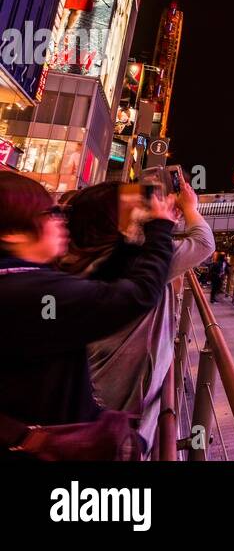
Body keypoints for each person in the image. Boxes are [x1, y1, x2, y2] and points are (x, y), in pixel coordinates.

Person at [0, 173, 176, 460]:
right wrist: (161, 227)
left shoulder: (27, 280)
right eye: (51, 213)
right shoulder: (36, 293)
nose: (61, 221)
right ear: (12, 233)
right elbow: (138, 292)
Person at [60, 177, 215, 456]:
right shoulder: (137, 265)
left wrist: (162, 225)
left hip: (92, 399)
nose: (144, 209)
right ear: (116, 223)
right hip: (122, 416)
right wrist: (190, 208)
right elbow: (204, 243)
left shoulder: (79, 261)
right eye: (133, 207)